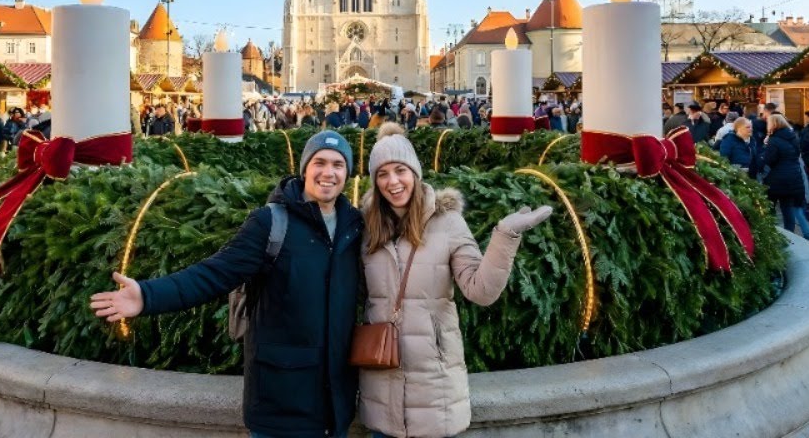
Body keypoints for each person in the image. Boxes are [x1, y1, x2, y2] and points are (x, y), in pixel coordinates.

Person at [90, 130, 364, 437]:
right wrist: (148, 296)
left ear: (348, 173)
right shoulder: (271, 223)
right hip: (281, 403)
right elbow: (214, 274)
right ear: (305, 169)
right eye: (319, 163)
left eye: (338, 165)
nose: (328, 173)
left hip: (335, 409)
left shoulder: (354, 227)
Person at [358, 123, 550, 438]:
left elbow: (481, 290)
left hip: (435, 391)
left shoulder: (447, 223)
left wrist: (505, 235)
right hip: (382, 391)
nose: (393, 182)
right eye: (382, 174)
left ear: (415, 173)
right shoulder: (368, 228)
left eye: (400, 170)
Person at [762, 114, 809, 241]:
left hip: (777, 178)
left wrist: (765, 146)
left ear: (773, 124)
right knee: (787, 207)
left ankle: (771, 235)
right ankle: (790, 235)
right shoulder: (793, 137)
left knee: (770, 206)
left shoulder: (773, 140)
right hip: (793, 176)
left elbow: (769, 160)